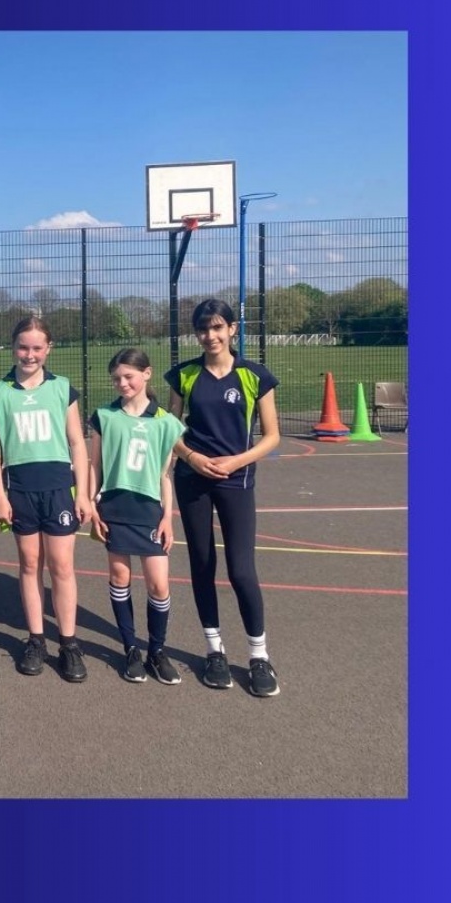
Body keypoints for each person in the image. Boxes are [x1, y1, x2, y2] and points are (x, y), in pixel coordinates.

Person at [165, 298, 282, 697]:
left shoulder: (254, 376)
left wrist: (236, 462)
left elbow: (271, 435)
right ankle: (214, 650)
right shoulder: (184, 375)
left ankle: (259, 655)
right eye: (203, 329)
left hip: (235, 479)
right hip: (193, 478)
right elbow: (171, 430)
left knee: (241, 570)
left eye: (217, 327)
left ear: (233, 329)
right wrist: (193, 457)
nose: (210, 336)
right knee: (201, 562)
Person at [0, 316, 91, 681]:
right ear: (14, 347)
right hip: (20, 490)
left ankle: (69, 644)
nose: (29, 354)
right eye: (23, 347)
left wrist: (86, 494)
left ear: (48, 349)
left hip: (59, 488)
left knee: (62, 566)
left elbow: (77, 442)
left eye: (36, 348)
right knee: (30, 564)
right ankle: (36, 640)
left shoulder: (62, 388)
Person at [88, 349, 185, 684]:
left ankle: (157, 651)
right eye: (116, 378)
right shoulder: (104, 417)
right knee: (119, 577)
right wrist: (91, 504)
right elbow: (94, 466)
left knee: (158, 584)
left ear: (147, 374)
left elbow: (164, 475)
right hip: (114, 506)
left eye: (129, 376)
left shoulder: (166, 423)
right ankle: (130, 648)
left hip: (148, 510)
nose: (122, 383)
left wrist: (167, 518)